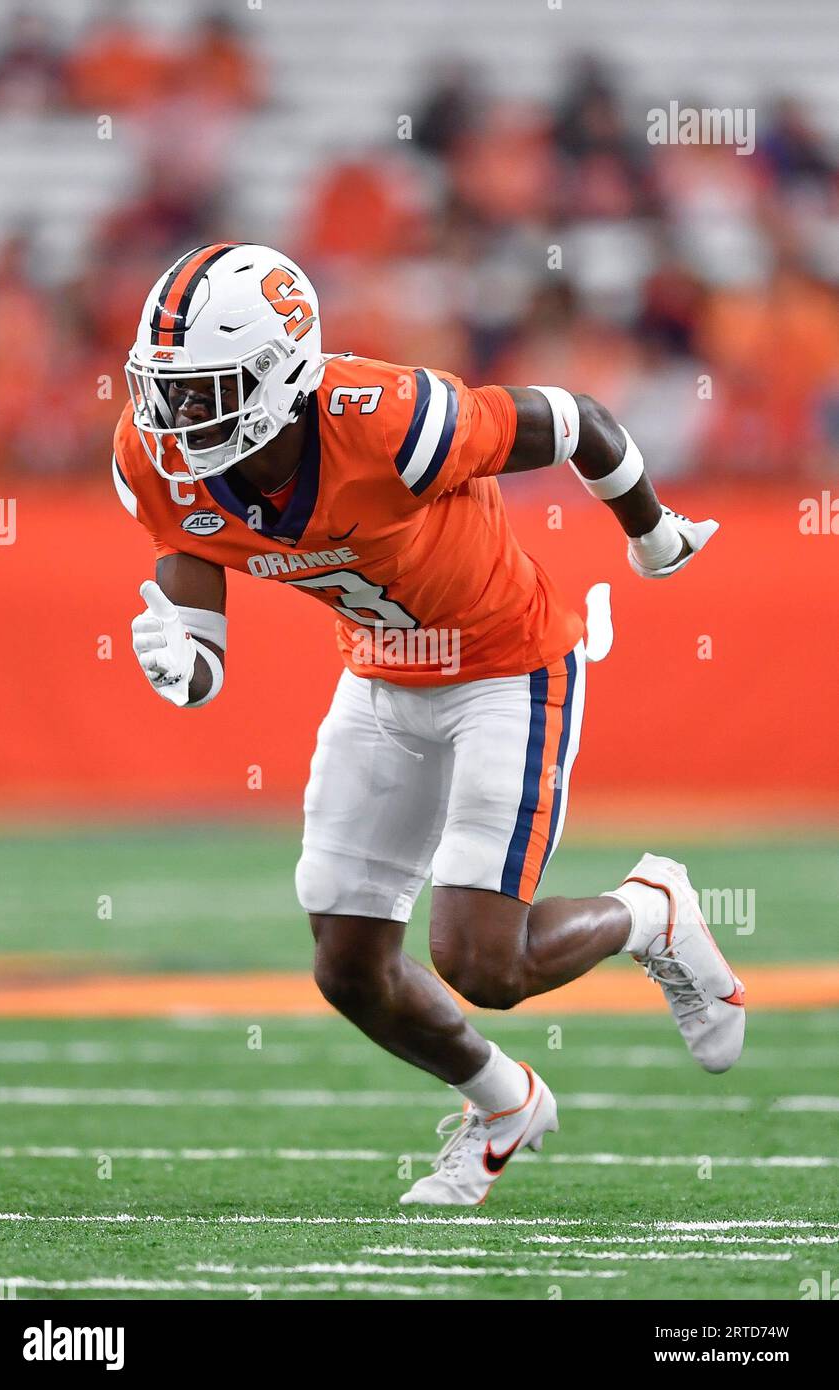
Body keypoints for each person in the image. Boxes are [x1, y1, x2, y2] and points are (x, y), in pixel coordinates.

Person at [113, 242, 745, 1207]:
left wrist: (652, 534)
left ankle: (652, 910)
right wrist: (181, 669)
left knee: (486, 963)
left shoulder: (395, 422)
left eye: (206, 390)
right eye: (166, 390)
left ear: (282, 373)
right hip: (379, 677)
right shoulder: (160, 464)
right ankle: (502, 1104)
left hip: (506, 661)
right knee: (348, 965)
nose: (175, 419)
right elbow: (197, 632)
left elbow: (578, 420)